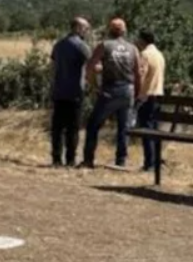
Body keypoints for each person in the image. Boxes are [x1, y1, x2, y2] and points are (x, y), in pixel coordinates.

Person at [81, 17, 145, 169]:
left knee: (93, 125)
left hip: (110, 90)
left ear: (109, 30)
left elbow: (90, 67)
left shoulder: (104, 45)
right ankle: (120, 161)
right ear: (125, 31)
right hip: (128, 90)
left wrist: (94, 85)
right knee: (124, 127)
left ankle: (88, 159)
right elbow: (138, 73)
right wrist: (137, 92)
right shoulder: (133, 48)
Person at [50, 17, 91, 167]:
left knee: (57, 127)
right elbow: (92, 65)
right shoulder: (82, 46)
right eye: (85, 28)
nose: (87, 32)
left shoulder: (58, 45)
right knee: (73, 128)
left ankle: (56, 158)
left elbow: (53, 68)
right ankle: (70, 159)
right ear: (77, 28)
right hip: (75, 92)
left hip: (59, 91)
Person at [135, 29, 166, 171]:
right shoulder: (159, 55)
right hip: (158, 94)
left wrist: (137, 94)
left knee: (146, 130)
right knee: (154, 129)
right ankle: (155, 160)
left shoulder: (145, 54)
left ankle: (149, 163)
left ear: (143, 40)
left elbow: (141, 75)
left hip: (147, 95)